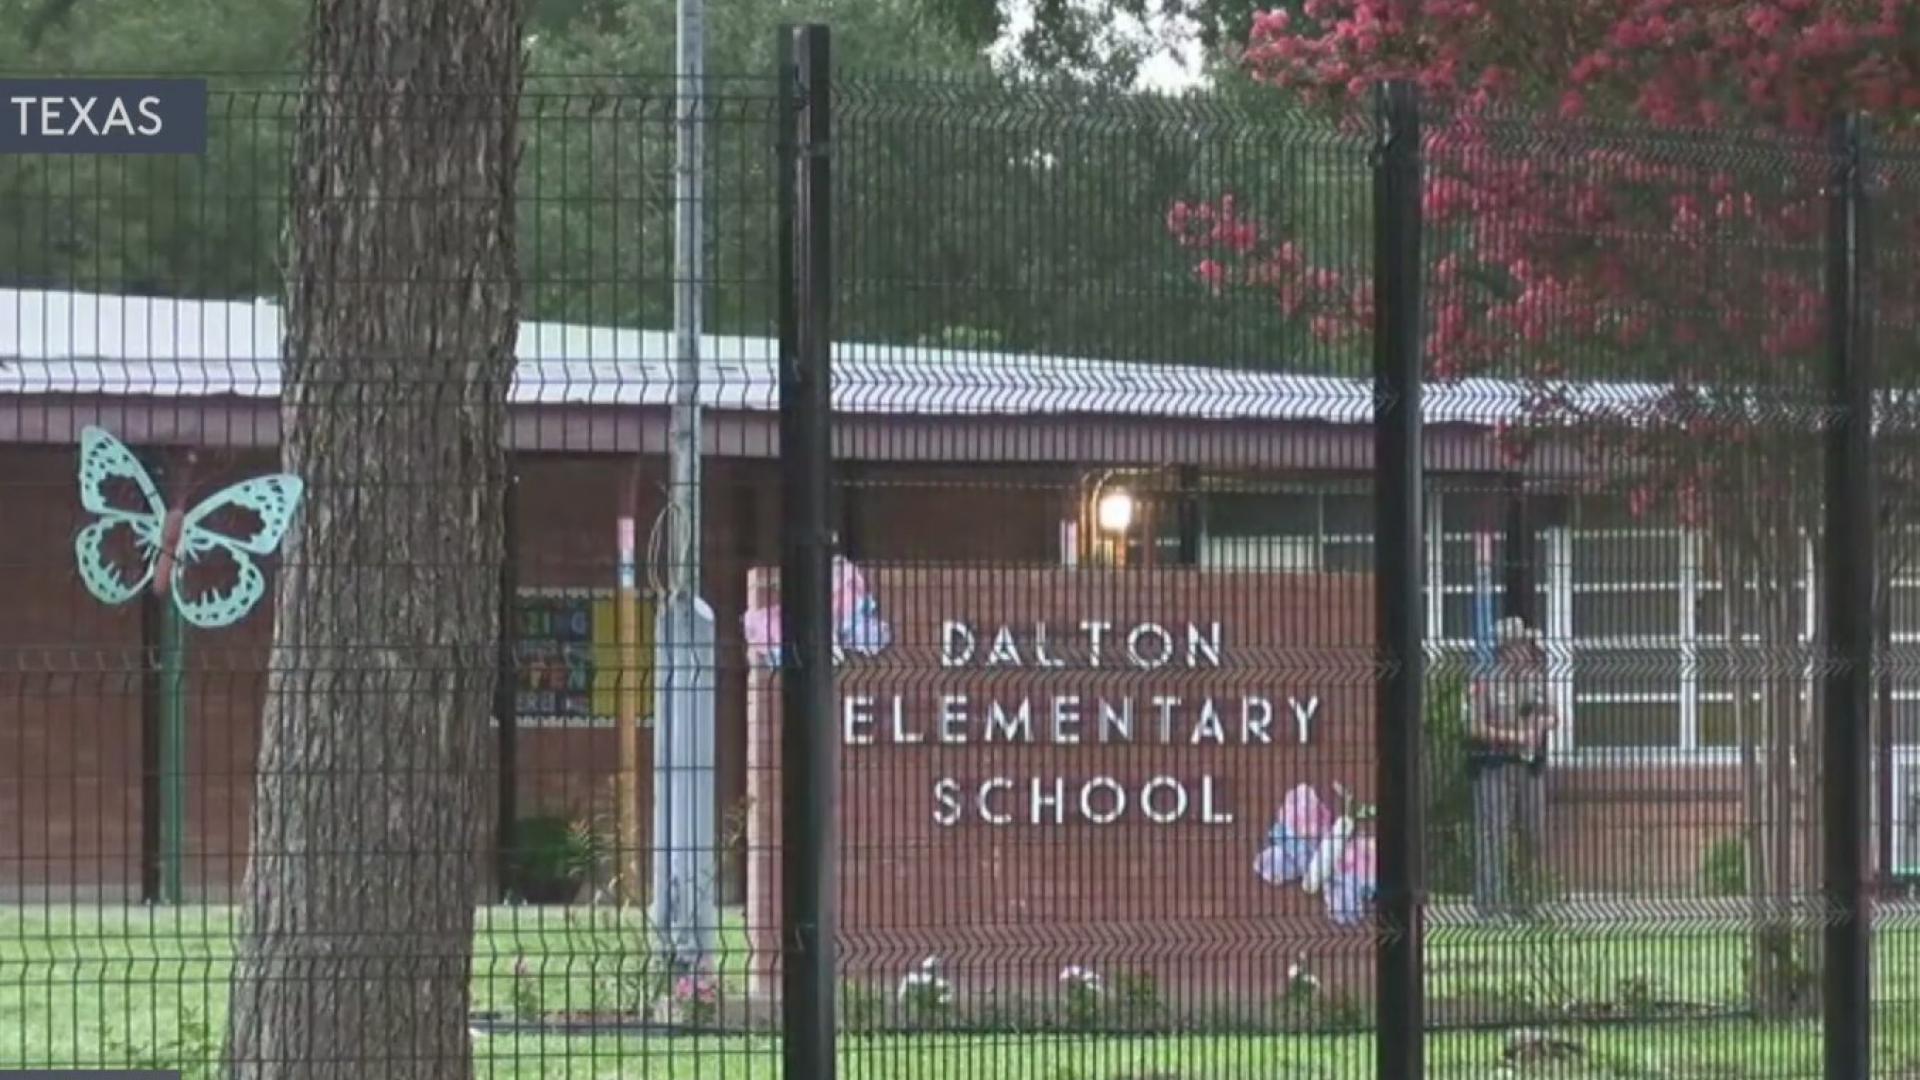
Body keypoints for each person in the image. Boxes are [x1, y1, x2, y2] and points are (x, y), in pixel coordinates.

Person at [1468, 615, 1558, 919]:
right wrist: (1514, 737)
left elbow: (1554, 714)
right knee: (1494, 835)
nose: (1525, 652)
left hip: (1529, 766)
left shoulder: (1536, 680)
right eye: (1519, 646)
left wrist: (1542, 724)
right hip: (1496, 766)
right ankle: (1490, 905)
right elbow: (1474, 727)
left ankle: (1528, 901)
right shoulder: (1485, 682)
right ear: (1505, 650)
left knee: (1533, 833)